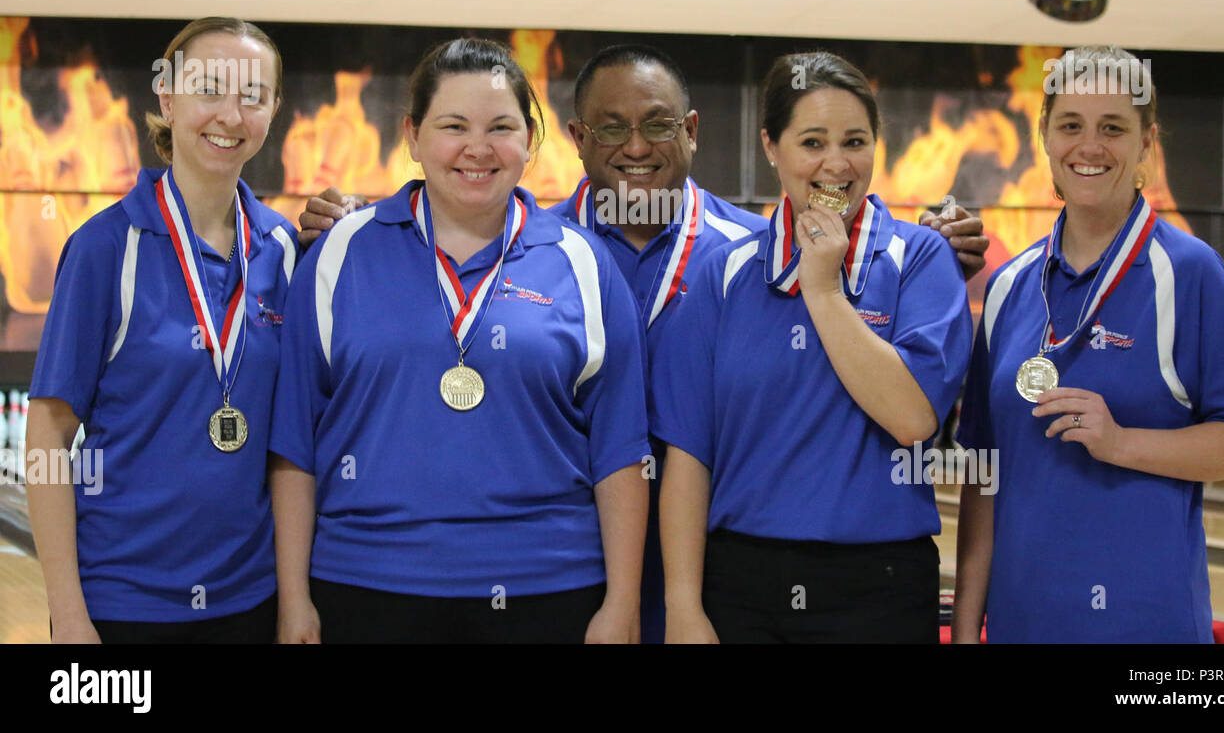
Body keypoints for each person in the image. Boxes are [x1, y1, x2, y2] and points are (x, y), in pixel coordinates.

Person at [298, 42, 990, 642]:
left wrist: (911, 248)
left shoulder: (738, 250)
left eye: (658, 124)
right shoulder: (553, 244)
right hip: (600, 566)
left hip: (703, 566)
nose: (635, 146)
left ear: (693, 130)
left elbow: (890, 362)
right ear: (574, 136)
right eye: (610, 127)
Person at [270, 37, 649, 644]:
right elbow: (294, 442)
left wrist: (622, 604)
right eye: (454, 126)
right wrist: (294, 602)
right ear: (413, 137)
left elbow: (620, 452)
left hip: (548, 589)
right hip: (368, 587)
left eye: (501, 126)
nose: (478, 149)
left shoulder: (581, 260)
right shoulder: (341, 252)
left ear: (529, 140)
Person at [952, 46, 1224, 644]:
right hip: (1022, 629)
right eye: (1071, 125)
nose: (1090, 146)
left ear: (1146, 143)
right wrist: (971, 625)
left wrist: (1122, 442)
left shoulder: (1192, 273)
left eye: (1113, 128)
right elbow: (983, 475)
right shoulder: (1008, 287)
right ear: (1045, 137)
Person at [653, 51, 973, 643]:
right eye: (812, 142)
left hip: (879, 584)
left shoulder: (921, 261)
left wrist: (823, 288)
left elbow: (910, 418)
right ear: (771, 146)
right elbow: (689, 458)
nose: (836, 163)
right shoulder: (724, 275)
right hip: (741, 584)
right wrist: (682, 606)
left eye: (855, 141)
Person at [26, 17, 296, 643]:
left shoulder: (283, 249)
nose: (230, 114)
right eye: (210, 88)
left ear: (273, 110)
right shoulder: (103, 248)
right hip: (123, 605)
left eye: (253, 95)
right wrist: (67, 614)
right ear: (167, 99)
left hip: (250, 599)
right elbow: (46, 433)